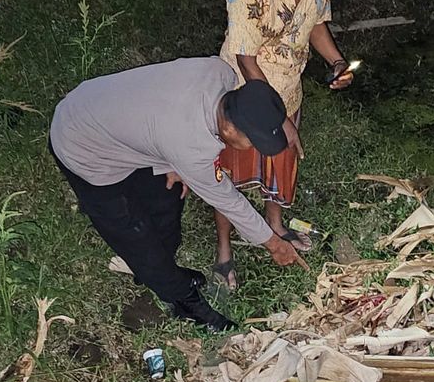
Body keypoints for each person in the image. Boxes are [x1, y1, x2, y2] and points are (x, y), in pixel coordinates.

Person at [49, 56, 308, 332]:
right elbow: (229, 202)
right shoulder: (190, 146)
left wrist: (171, 162)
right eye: (252, 142)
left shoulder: (220, 73)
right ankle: (183, 300)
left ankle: (160, 268)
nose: (253, 148)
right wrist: (274, 244)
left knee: (168, 197)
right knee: (136, 235)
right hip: (81, 142)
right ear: (229, 129)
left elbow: (168, 114)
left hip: (110, 112)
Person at [213, 0, 355, 290]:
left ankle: (274, 226)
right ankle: (224, 252)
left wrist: (337, 61)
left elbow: (316, 24)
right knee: (228, 175)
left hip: (288, 90)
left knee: (280, 164)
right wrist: (280, 120)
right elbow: (246, 60)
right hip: (244, 97)